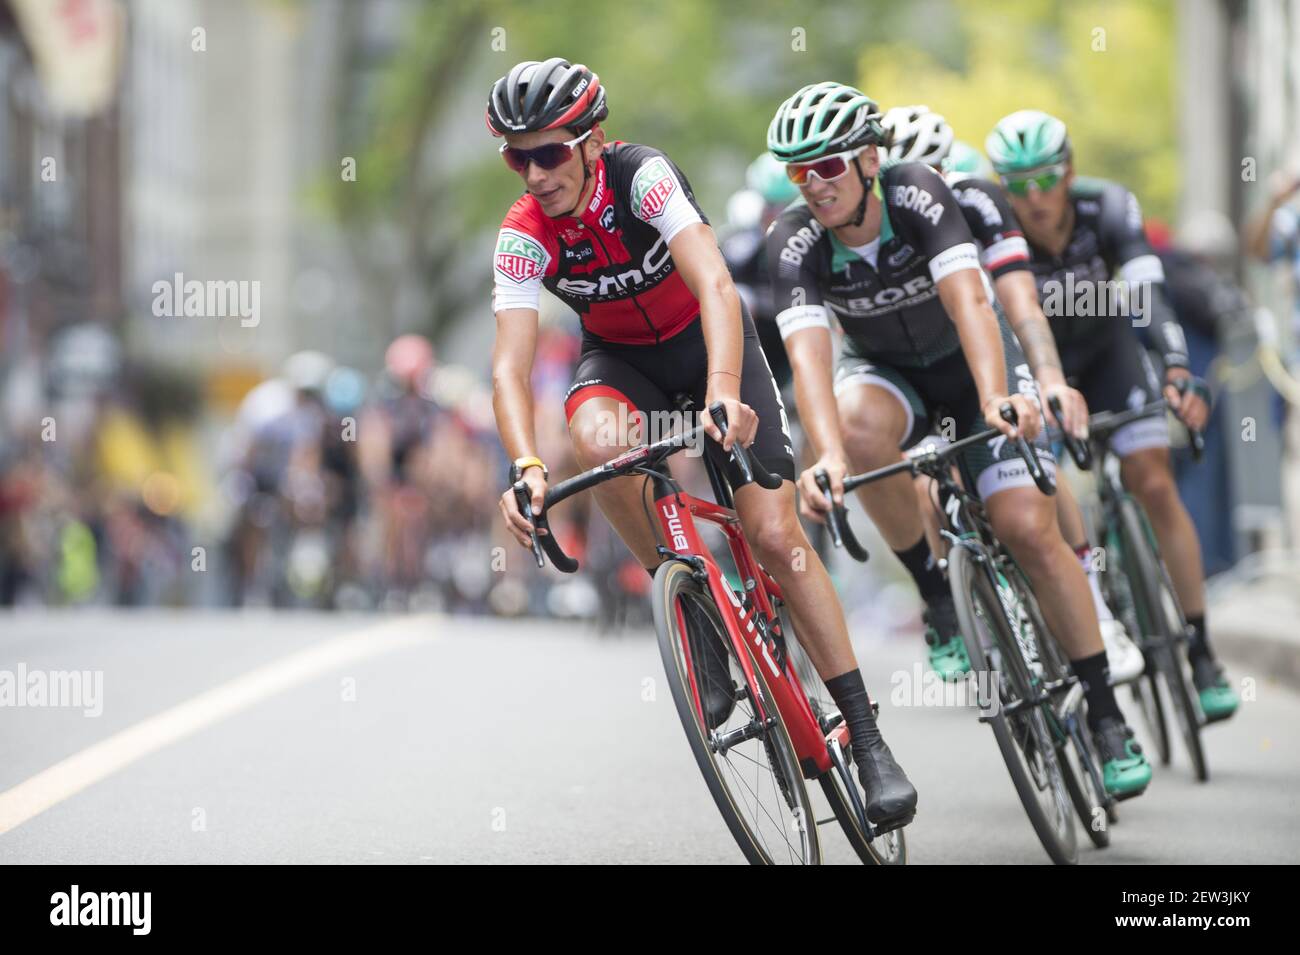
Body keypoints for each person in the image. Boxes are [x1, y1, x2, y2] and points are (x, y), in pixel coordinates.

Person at [487, 58, 916, 828]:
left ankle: (871, 739)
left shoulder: (642, 177)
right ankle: (694, 612)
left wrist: (723, 389)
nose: (533, 172)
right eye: (517, 156)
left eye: (548, 151)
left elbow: (716, 285)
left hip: (711, 345)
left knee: (779, 537)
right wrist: (523, 463)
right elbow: (510, 364)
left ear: (591, 141)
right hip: (622, 366)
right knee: (597, 440)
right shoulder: (522, 234)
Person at [766, 82, 1150, 795]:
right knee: (853, 426)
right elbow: (809, 359)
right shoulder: (793, 243)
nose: (813, 185)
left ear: (869, 160)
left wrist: (1003, 392)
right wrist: (827, 455)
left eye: (828, 167)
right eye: (798, 172)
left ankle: (1104, 712)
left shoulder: (920, 196)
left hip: (973, 366)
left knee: (1025, 528)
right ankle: (936, 593)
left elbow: (976, 299)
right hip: (886, 375)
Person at [986, 109, 1238, 721]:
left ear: (1069, 170)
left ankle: (1201, 649)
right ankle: (1094, 624)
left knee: (1153, 479)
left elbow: (1150, 293)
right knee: (1045, 500)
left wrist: (1176, 367)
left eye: (1045, 179)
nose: (1034, 197)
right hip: (1038, 370)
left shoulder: (1109, 208)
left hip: (1108, 356)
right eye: (1017, 185)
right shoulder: (991, 226)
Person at [880, 104, 1144, 685]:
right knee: (926, 487)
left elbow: (1020, 304)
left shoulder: (972, 203)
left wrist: (1048, 379)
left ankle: (1096, 608)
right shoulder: (869, 229)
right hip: (925, 369)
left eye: (929, 177)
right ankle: (963, 607)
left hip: (990, 345)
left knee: (1036, 454)